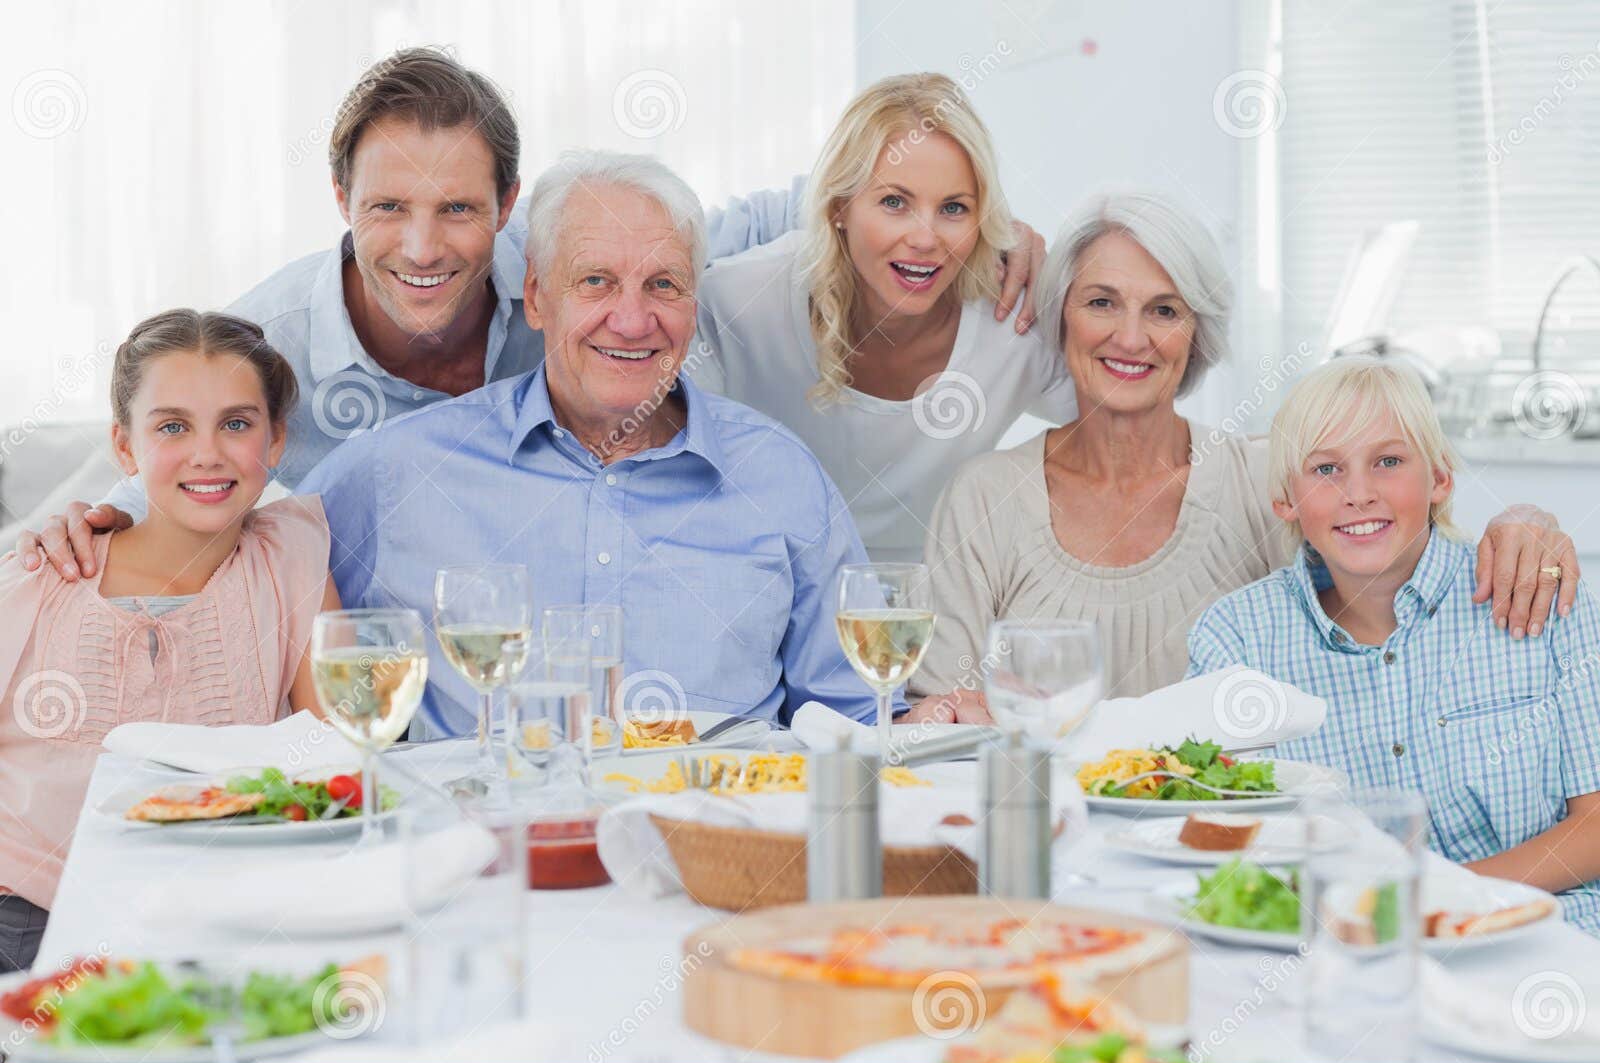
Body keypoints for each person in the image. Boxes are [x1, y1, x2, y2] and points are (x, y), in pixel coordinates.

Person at [26, 50, 1028, 577]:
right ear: (340, 203)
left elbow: (769, 211)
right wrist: (93, 515)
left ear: (506, 209)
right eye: (388, 210)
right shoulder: (272, 336)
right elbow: (168, 454)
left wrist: (973, 228)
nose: (423, 249)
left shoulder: (573, 268)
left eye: (457, 209)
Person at [912, 190, 1580, 712]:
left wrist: (1526, 523)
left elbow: (1408, 568)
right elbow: (940, 719)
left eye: (1165, 310)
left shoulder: (1266, 479)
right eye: (1101, 302)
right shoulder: (985, 497)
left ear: (1197, 335)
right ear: (1062, 318)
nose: (1132, 336)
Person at [299, 151, 883, 737]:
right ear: (536, 297)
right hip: (485, 824)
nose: (631, 320)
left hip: (716, 823)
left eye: (663, 284)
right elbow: (250, 580)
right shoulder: (401, 471)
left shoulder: (779, 476)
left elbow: (858, 724)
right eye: (595, 282)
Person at [1188, 357, 1600, 935]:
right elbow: (1228, 835)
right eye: (1326, 468)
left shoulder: (1536, 592)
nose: (1358, 493)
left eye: (1388, 461)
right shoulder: (1235, 639)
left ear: (1439, 479)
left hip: (1549, 938)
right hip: (1342, 948)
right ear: (1286, 500)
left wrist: (1436, 902)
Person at [0, 310, 339, 970]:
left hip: (218, 914)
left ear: (274, 443)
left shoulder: (293, 553)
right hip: (34, 917)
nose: (207, 451)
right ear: (125, 448)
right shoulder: (42, 573)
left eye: (237, 423)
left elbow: (333, 755)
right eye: (173, 426)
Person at [691, 73, 1067, 561]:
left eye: (954, 207)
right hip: (770, 605)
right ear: (839, 206)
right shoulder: (739, 300)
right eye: (895, 202)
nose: (925, 238)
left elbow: (1123, 424)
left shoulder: (1014, 323)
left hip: (931, 617)